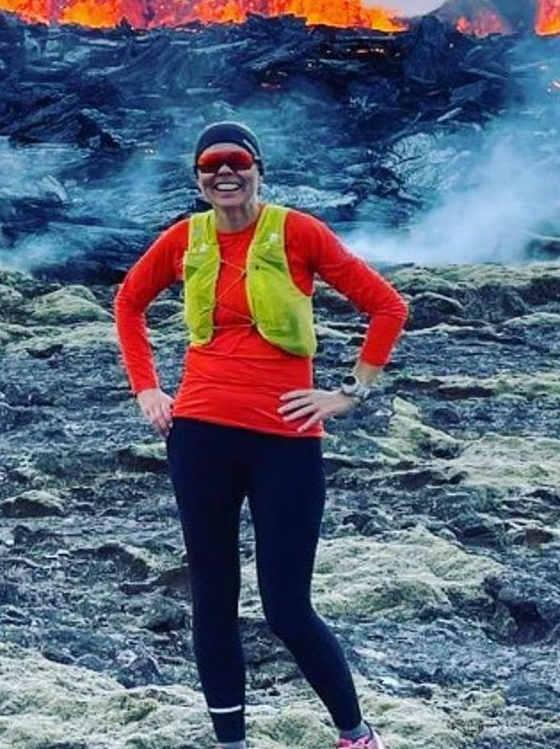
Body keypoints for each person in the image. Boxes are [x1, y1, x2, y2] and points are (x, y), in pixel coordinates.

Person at [113, 121, 408, 749]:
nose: (224, 172)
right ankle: (231, 743)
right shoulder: (183, 239)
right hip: (200, 438)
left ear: (258, 169)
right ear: (197, 178)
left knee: (286, 607)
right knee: (213, 600)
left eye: (237, 161)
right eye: (210, 165)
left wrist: (349, 393)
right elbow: (129, 303)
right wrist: (147, 389)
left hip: (286, 440)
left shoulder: (298, 232)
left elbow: (388, 307)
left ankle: (357, 736)